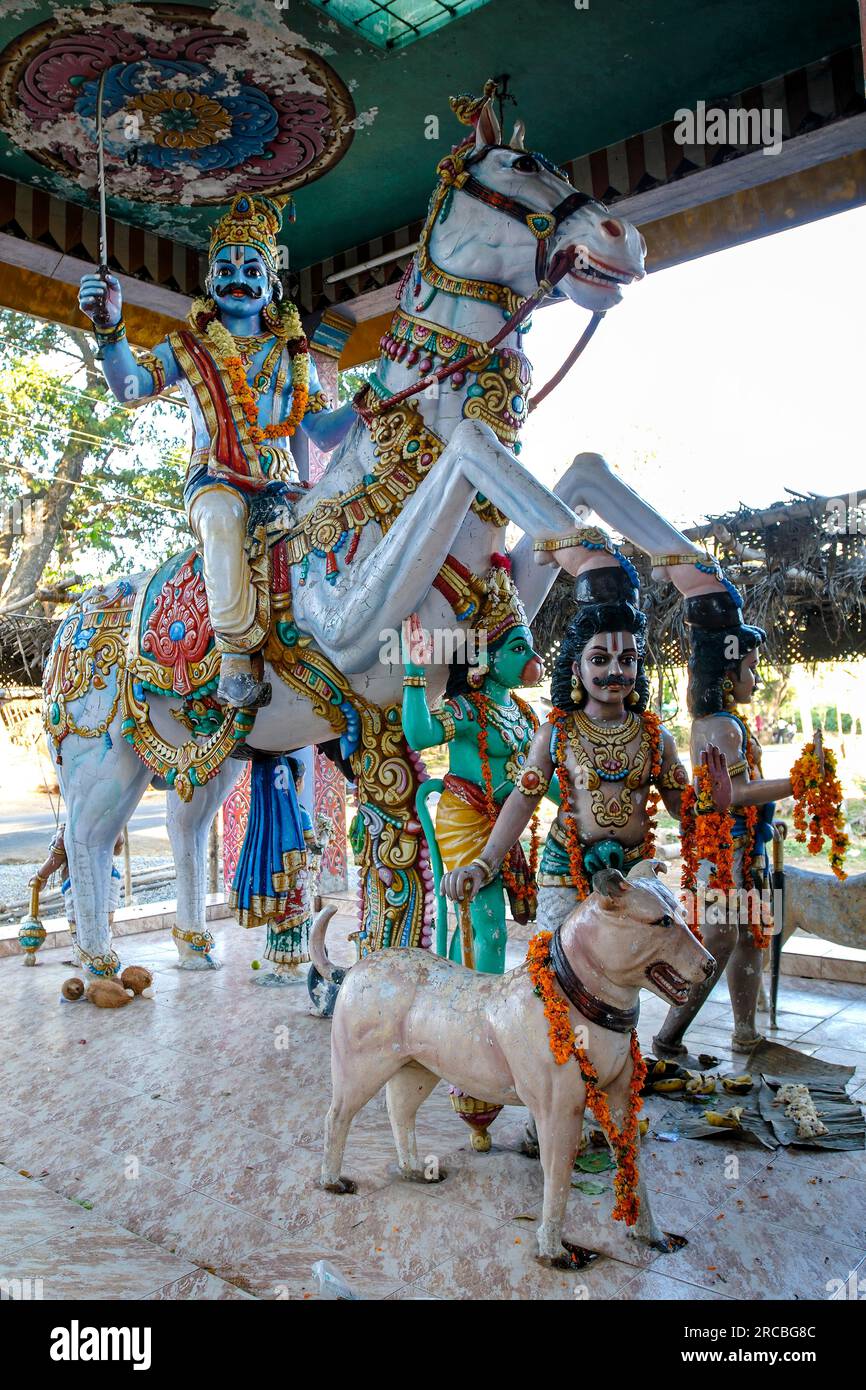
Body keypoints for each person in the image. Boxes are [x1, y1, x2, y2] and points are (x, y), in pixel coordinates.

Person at [78, 194, 355, 709]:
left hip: (285, 487)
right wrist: (109, 328)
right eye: (226, 269)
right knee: (225, 519)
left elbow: (322, 432)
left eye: (253, 269)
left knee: (341, 522)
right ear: (210, 284)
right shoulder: (189, 347)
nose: (239, 278)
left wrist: (368, 402)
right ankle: (232, 654)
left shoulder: (293, 355)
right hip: (215, 482)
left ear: (272, 285)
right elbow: (130, 387)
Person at [441, 550, 732, 932]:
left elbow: (682, 808)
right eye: (600, 660)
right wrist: (483, 864)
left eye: (628, 660)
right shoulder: (555, 734)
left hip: (636, 874)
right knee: (558, 980)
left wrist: (713, 802)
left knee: (635, 975)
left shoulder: (654, 736)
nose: (616, 670)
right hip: (567, 872)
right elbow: (522, 801)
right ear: (576, 667)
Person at [652, 590, 823, 1056]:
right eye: (749, 668)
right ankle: (669, 1036)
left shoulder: (727, 723)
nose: (755, 677)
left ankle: (745, 1030)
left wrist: (775, 806)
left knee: (751, 934)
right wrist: (798, 782)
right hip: (720, 852)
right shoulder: (720, 727)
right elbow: (736, 795)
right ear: (727, 675)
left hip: (744, 848)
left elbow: (745, 792)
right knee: (720, 942)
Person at [402, 558, 548, 974]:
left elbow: (540, 780)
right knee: (492, 929)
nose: (532, 658)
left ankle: (452, 986)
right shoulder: (469, 709)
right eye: (519, 649)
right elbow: (422, 735)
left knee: (477, 919)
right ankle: (481, 1014)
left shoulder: (524, 714)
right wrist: (415, 672)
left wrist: (581, 804)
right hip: (466, 818)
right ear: (486, 658)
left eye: (530, 648)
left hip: (506, 821)